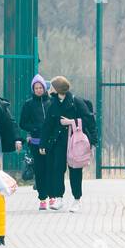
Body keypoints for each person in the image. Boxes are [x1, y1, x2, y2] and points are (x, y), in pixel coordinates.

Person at [41, 75, 98, 212]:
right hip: (58, 143)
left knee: (75, 171)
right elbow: (47, 125)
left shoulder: (76, 101)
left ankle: (76, 199)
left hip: (75, 142)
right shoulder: (52, 103)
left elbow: (89, 120)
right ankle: (59, 198)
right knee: (57, 169)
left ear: (57, 88)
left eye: (52, 86)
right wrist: (43, 144)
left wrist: (93, 140)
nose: (49, 88)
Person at [19, 74, 54, 209]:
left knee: (50, 169)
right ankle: (42, 198)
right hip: (36, 142)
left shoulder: (51, 102)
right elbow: (23, 123)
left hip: (51, 142)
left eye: (41, 87)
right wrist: (35, 128)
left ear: (45, 88)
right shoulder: (28, 104)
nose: (39, 90)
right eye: (36, 88)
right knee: (39, 170)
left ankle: (52, 196)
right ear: (33, 89)